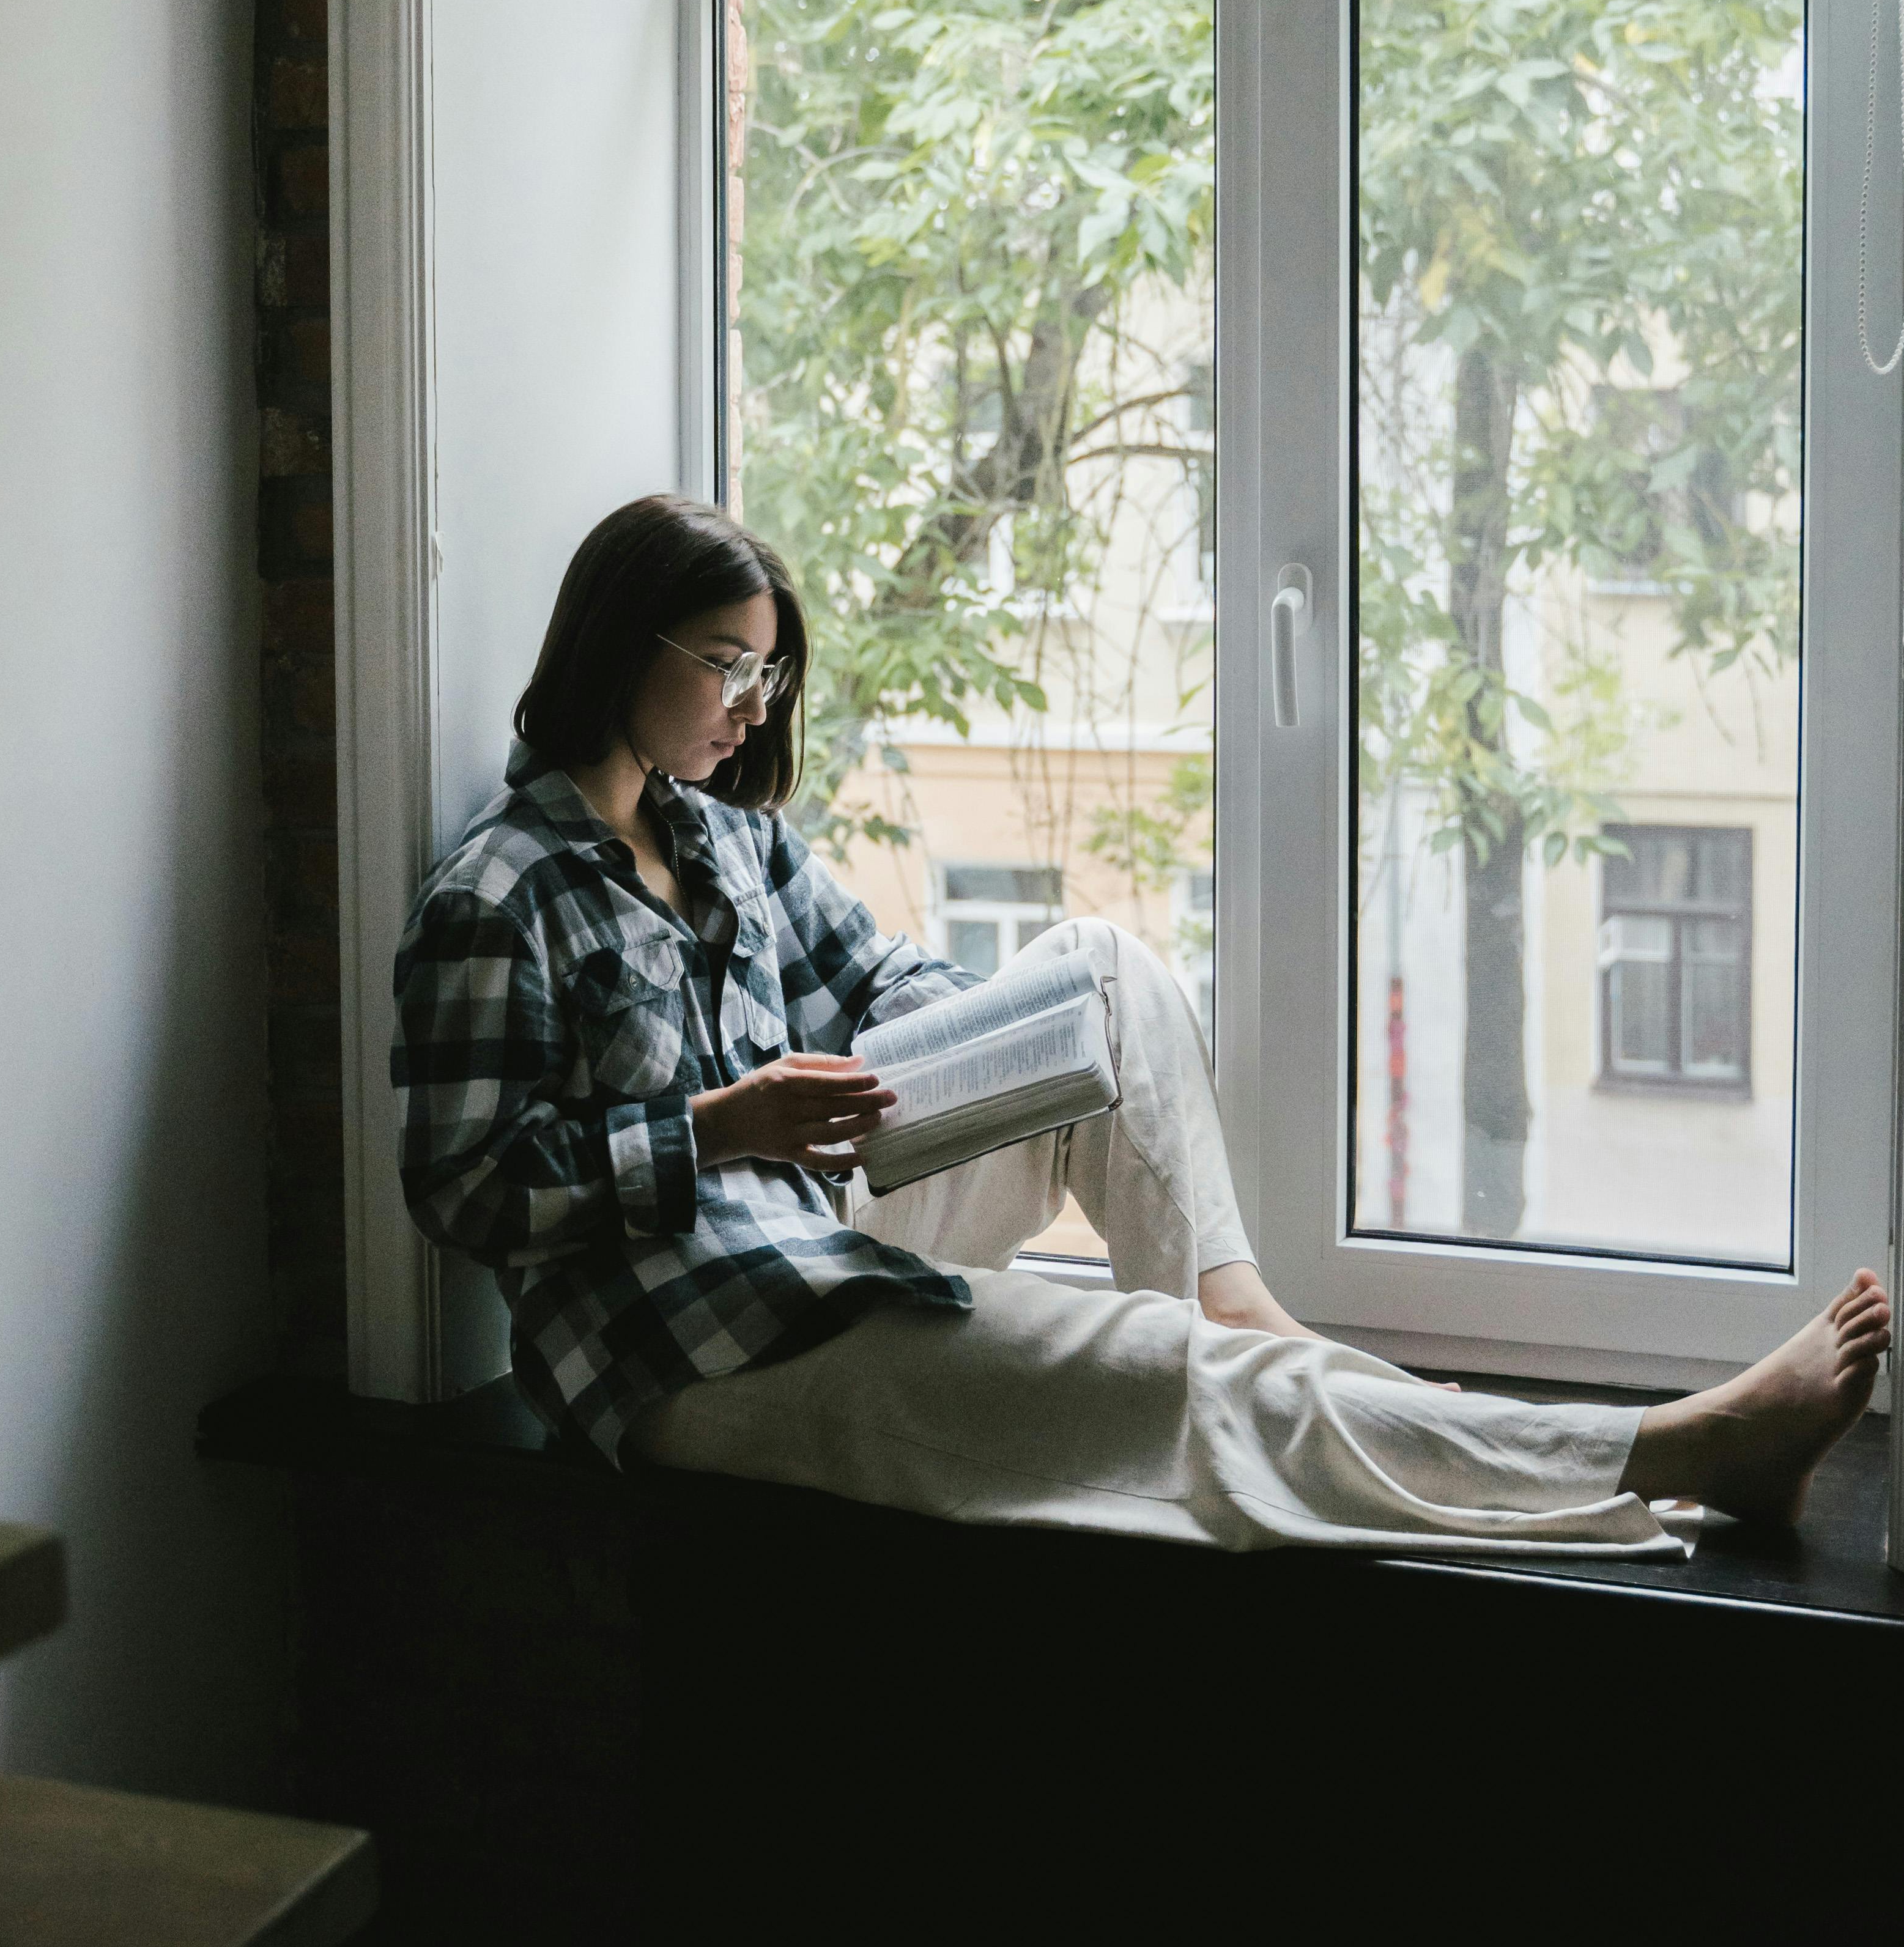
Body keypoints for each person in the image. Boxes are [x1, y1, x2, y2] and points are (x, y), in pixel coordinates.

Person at [393, 495, 1890, 1559]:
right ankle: (1675, 1452)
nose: (748, 699)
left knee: (1097, 962)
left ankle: (1234, 1299)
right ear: (616, 644)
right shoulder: (498, 892)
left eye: (764, 669)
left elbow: (883, 985)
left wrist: (983, 1056)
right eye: (724, 661)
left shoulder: (721, 838)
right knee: (1169, 1380)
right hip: (693, 1349)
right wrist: (724, 1125)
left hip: (808, 1226)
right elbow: (462, 1189)